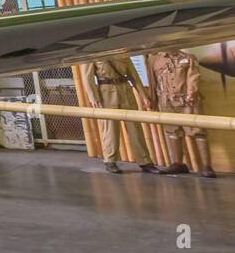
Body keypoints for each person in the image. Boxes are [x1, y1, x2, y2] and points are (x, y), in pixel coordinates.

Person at [147, 49, 216, 177]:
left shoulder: (189, 57)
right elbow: (153, 82)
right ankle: (177, 163)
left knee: (198, 131)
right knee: (172, 131)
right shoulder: (154, 60)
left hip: (188, 102)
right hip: (166, 102)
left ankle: (207, 166)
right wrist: (153, 102)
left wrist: (191, 93)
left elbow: (193, 77)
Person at [87, 56, 159, 174]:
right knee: (110, 129)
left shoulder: (122, 52)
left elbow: (133, 75)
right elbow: (87, 77)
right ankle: (110, 160)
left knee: (135, 129)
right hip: (106, 94)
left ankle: (145, 161)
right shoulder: (94, 53)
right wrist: (93, 97)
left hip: (125, 92)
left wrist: (143, 95)